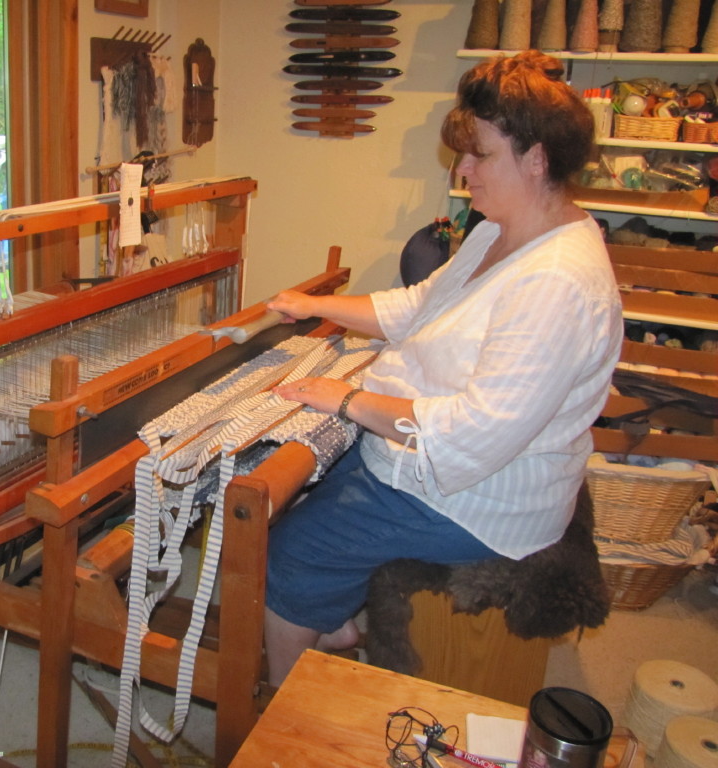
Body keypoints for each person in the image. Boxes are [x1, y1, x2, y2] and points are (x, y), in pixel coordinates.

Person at [263, 50, 624, 686]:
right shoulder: (498, 232)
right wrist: (315, 305)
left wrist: (348, 400)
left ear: (536, 158)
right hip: (445, 464)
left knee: (294, 550)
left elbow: (474, 435)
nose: (462, 169)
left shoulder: (558, 282)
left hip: (478, 497)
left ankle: (286, 704)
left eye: (479, 154)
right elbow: (419, 306)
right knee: (298, 476)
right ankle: (329, 622)